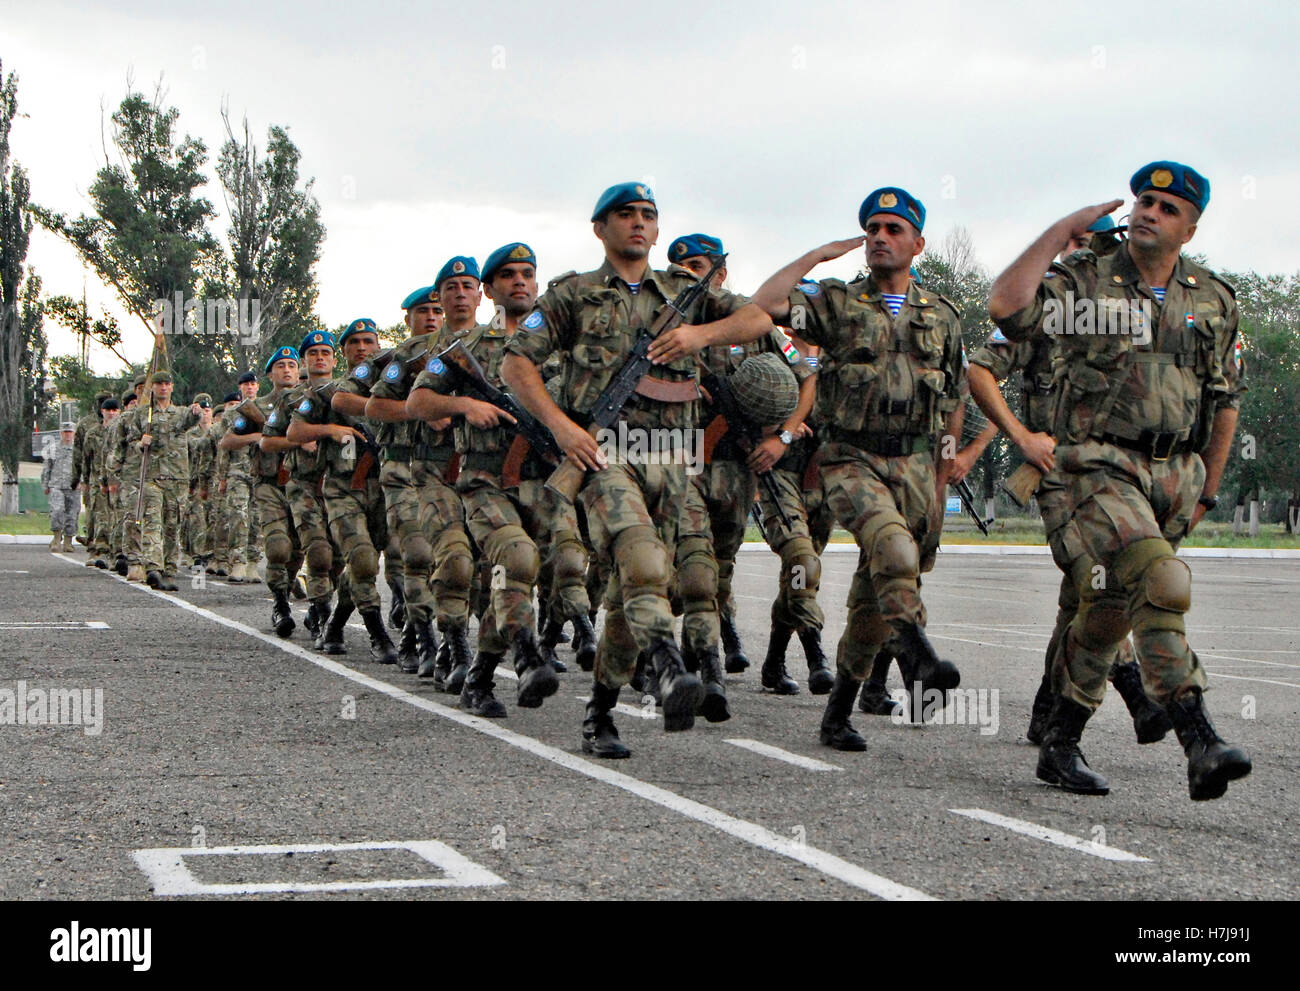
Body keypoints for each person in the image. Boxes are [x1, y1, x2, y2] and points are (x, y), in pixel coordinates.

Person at [654, 185, 966, 752]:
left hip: (917, 461)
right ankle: (917, 653)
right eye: (872, 228)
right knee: (889, 554)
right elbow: (770, 303)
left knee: (879, 589)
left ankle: (841, 707)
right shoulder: (838, 301)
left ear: (918, 243)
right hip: (851, 456)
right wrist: (818, 255)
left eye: (893, 229)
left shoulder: (941, 315)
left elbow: (956, 396)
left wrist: (948, 466)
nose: (879, 237)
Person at [986, 161, 1251, 800]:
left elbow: (1225, 401)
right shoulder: (1085, 278)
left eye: (1166, 207)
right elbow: (1006, 307)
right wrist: (1060, 231)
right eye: (1143, 201)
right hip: (1096, 468)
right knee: (1159, 580)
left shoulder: (1212, 298)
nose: (1148, 213)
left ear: (1189, 227)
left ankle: (1060, 741)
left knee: (1105, 612)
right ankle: (1199, 737)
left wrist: (1207, 491)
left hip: (1175, 476)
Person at [501, 181, 771, 755]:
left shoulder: (683, 293)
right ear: (600, 228)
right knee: (644, 563)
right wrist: (562, 427)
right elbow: (517, 366)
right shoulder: (572, 294)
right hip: (605, 457)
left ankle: (599, 713)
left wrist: (702, 333)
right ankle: (670, 666)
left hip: (673, 462)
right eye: (625, 214)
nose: (639, 223)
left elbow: (757, 320)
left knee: (628, 598)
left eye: (648, 214)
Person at [966, 215, 1169, 747]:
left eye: (1095, 245)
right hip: (1056, 475)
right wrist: (1021, 437)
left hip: (1111, 477)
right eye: (1077, 242)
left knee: (1082, 597)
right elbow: (980, 370)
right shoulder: (1047, 308)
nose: (1086, 253)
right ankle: (1132, 691)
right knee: (1094, 583)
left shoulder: (1120, 311)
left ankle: (1047, 716)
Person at [408, 243, 564, 715]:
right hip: (485, 481)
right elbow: (417, 403)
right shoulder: (463, 352)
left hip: (548, 481)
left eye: (528, 274)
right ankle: (528, 656)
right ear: (490, 290)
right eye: (508, 275)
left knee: (542, 574)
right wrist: (463, 404)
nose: (520, 282)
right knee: (513, 558)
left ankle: (478, 677)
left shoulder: (560, 347)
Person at [365, 259, 479, 688]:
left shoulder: (497, 346)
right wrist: (422, 410)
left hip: (474, 473)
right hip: (413, 469)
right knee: (417, 554)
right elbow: (373, 405)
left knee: (471, 566)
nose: (433, 315)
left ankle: (450, 638)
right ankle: (429, 638)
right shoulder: (406, 357)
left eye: (467, 287)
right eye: (427, 309)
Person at [291, 319, 398, 663]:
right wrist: (330, 428)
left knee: (367, 563)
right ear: (345, 352)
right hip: (342, 488)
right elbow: (294, 431)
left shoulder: (394, 388)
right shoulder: (327, 392)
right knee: (362, 559)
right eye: (354, 343)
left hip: (385, 488)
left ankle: (336, 622)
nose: (363, 348)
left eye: (369, 342)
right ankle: (378, 634)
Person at [220, 350, 304, 637]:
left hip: (305, 484)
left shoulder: (311, 402)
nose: (287, 371)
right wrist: (257, 436)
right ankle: (280, 603)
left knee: (299, 547)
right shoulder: (257, 407)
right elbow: (228, 440)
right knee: (278, 546)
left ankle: (289, 585)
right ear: (270, 374)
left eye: (292, 365)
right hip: (270, 483)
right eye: (280, 366)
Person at [108, 371, 201, 589]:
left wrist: (196, 412)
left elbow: (190, 420)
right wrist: (141, 443)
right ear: (153, 387)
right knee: (152, 522)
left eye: (167, 384)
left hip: (176, 478)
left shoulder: (179, 413)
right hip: (150, 477)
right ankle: (153, 567)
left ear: (172, 387)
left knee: (172, 525)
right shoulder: (142, 414)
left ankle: (169, 570)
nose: (163, 387)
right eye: (159, 384)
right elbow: (130, 441)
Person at [42, 423, 80, 553]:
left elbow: (84, 467)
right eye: (65, 432)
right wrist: (45, 485)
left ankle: (68, 542)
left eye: (70, 432)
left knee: (72, 514)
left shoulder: (78, 449)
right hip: (56, 485)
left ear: (74, 433)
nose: (67, 434)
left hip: (73, 486)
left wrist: (84, 482)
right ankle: (56, 539)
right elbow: (47, 468)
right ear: (60, 433)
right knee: (56, 511)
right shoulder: (52, 449)